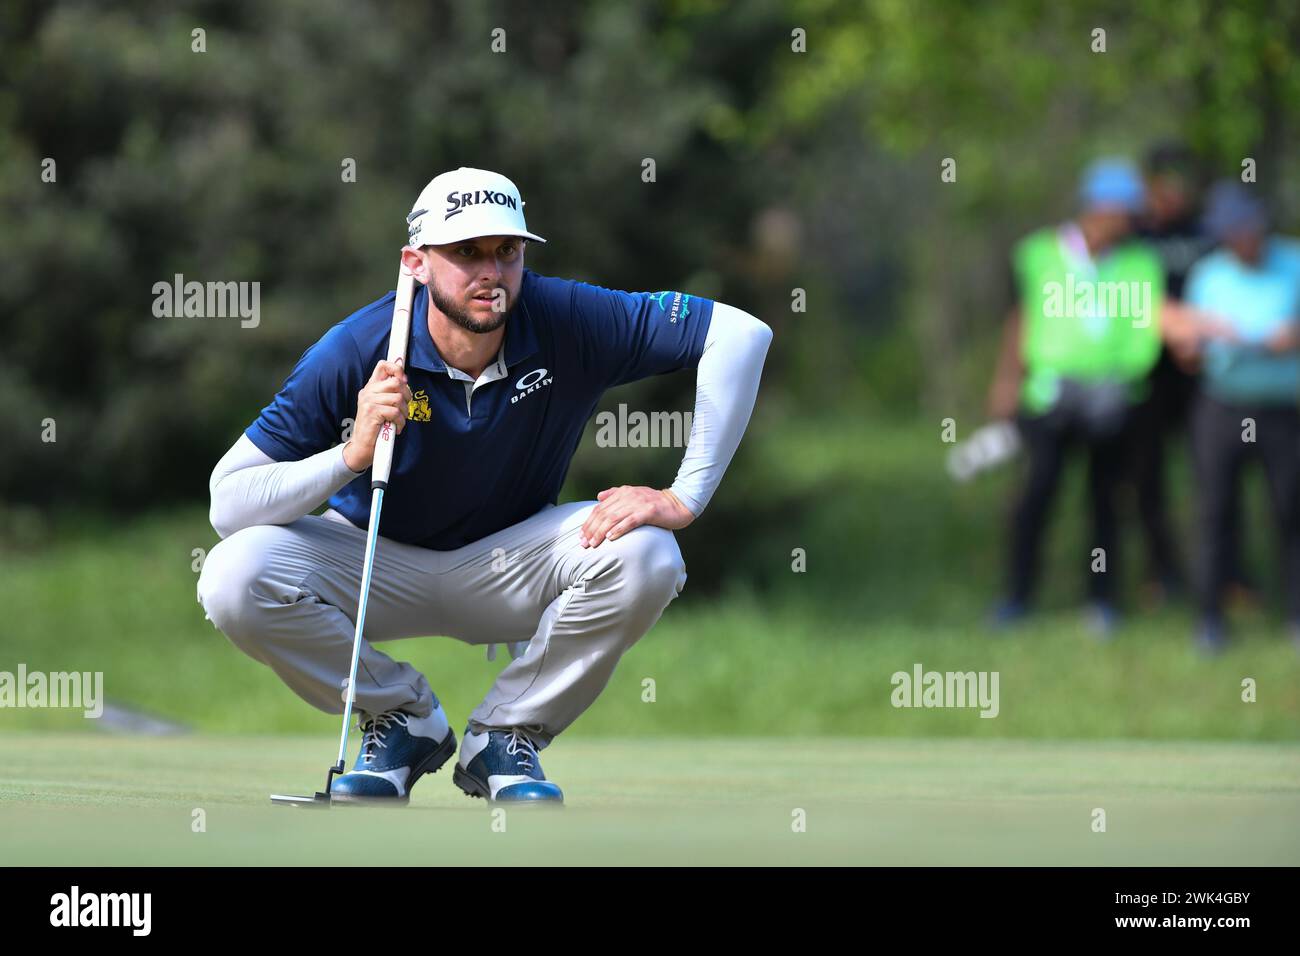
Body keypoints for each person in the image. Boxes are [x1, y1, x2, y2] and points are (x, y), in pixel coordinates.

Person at [197, 167, 773, 803]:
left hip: (508, 563)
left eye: (507, 252)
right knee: (232, 575)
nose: (491, 273)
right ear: (416, 263)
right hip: (370, 560)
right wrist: (349, 456)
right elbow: (230, 502)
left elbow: (740, 333)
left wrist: (683, 497)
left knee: (649, 553)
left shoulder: (567, 318)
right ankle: (401, 719)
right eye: (466, 253)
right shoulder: (355, 348)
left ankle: (504, 734)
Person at [987, 159, 1165, 636]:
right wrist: (1006, 380)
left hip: (1111, 398)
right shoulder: (1040, 254)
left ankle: (1102, 603)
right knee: (1036, 497)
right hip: (1048, 397)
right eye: (1127, 213)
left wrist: (1125, 375)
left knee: (1105, 503)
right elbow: (1021, 317)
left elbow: (1147, 323)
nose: (1131, 223)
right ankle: (1016, 598)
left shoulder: (1140, 262)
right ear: (1101, 209)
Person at [1172, 181, 1300, 653]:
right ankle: (1209, 620)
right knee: (1214, 512)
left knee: (1290, 511)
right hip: (1221, 408)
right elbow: (1186, 349)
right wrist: (1196, 339)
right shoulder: (1209, 276)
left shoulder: (1294, 263)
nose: (1236, 240)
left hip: (1281, 410)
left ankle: (1295, 615)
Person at [1126, 143, 1215, 603]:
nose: (1173, 192)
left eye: (1182, 182)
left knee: (1212, 477)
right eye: (1165, 182)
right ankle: (1162, 573)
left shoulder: (1208, 233)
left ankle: (1227, 574)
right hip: (1147, 375)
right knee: (1147, 479)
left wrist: (1195, 336)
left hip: (1203, 375)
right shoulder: (1134, 238)